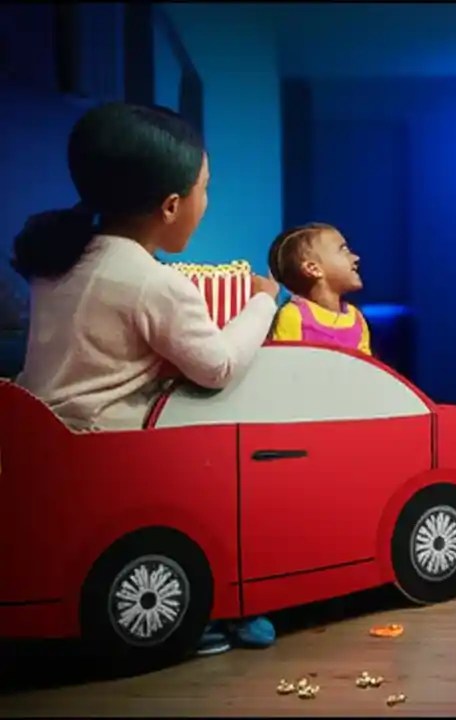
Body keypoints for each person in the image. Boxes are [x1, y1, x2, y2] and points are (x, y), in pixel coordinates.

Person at [10, 102, 280, 657]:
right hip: (110, 451)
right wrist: (260, 304)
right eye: (205, 188)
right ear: (172, 205)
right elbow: (218, 365)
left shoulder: (60, 259)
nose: (207, 203)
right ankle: (219, 606)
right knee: (243, 468)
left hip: (39, 438)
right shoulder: (154, 283)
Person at [265, 222, 370, 355]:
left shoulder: (357, 319)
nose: (356, 258)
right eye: (343, 250)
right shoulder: (294, 316)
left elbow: (366, 369)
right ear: (313, 269)